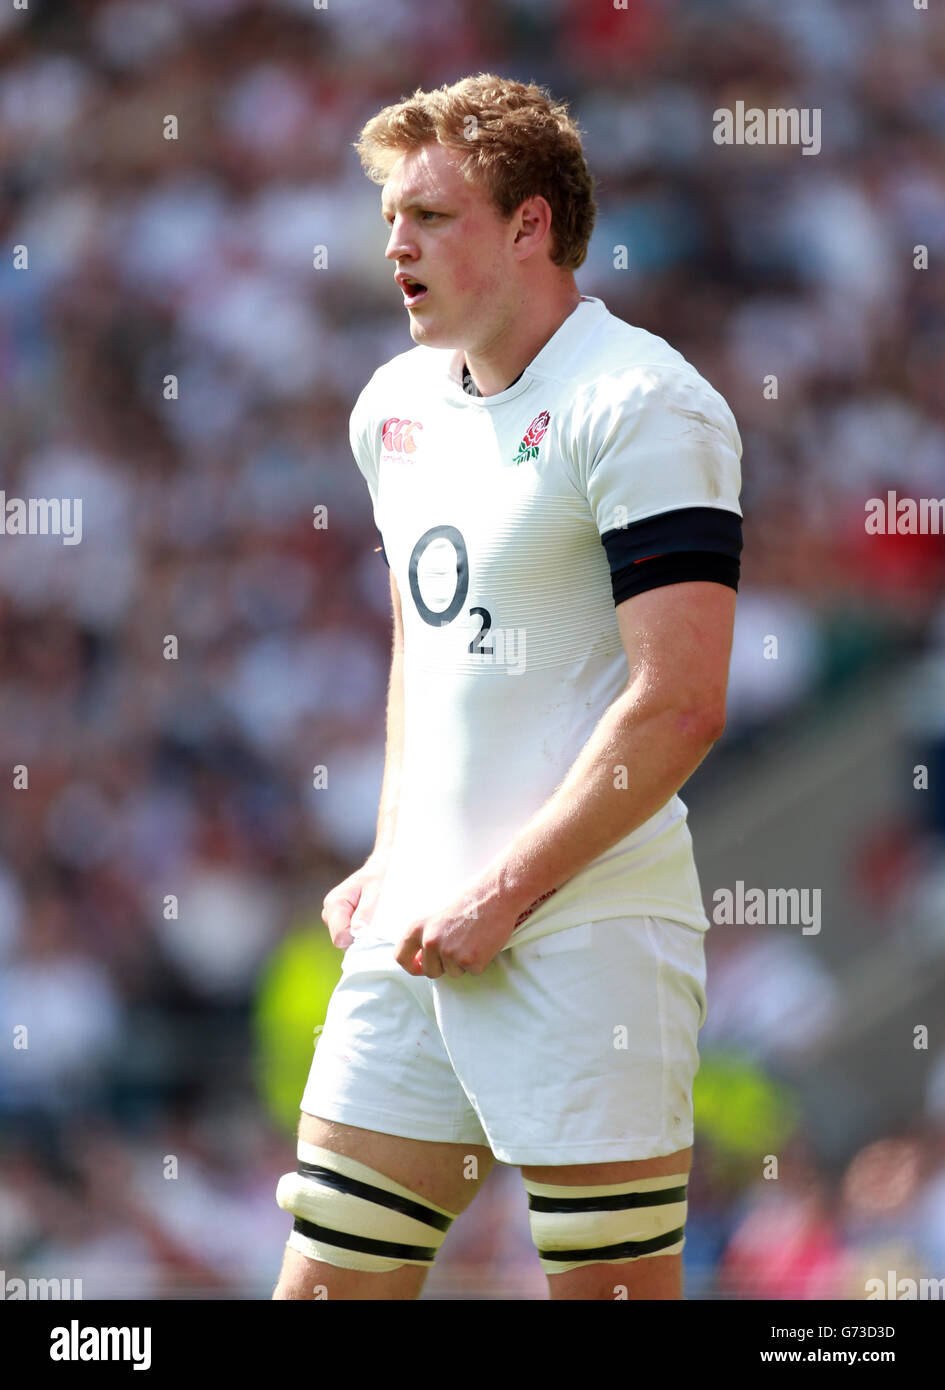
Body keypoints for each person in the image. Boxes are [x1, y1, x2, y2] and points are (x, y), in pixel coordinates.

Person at [273, 73, 743, 1301]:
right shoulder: (394, 407)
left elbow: (681, 703)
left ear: (531, 224)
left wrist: (504, 888)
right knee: (327, 1284)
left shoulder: (641, 402)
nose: (394, 242)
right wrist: (395, 852)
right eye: (391, 215)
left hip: (586, 932)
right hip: (421, 930)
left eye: (430, 214)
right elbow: (424, 657)